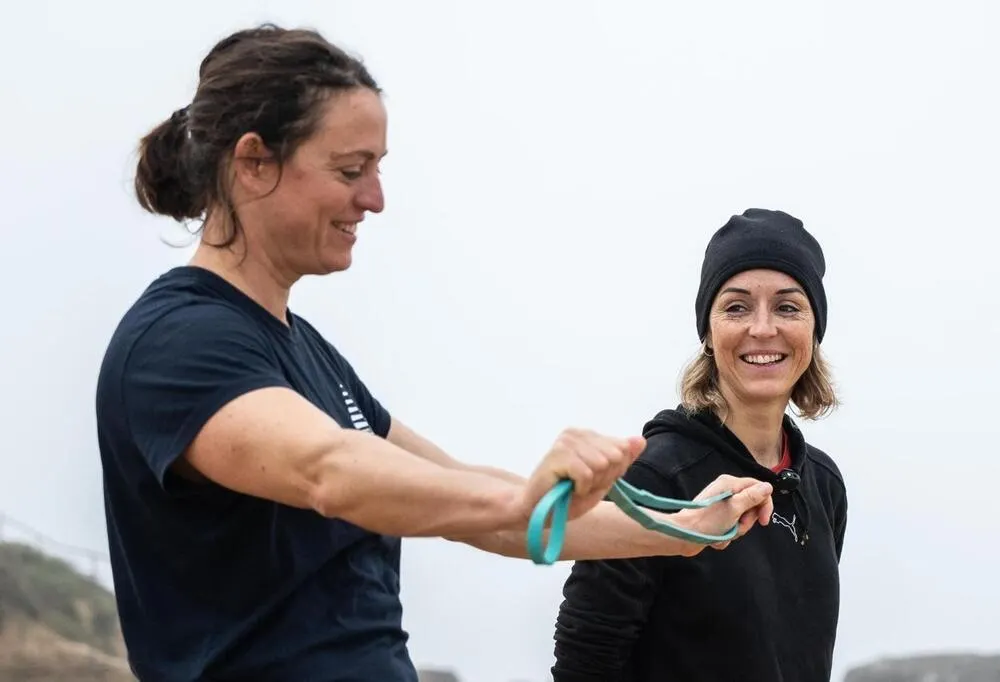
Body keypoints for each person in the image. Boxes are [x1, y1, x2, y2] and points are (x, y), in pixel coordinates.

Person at [94, 25, 777, 682]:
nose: (375, 199)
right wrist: (519, 502)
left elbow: (477, 502)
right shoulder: (179, 344)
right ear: (253, 163)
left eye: (378, 169)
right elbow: (329, 472)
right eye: (351, 169)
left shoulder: (306, 353)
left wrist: (684, 529)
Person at [550, 208, 848, 682]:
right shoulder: (653, 477)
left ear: (814, 330)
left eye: (788, 307)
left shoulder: (823, 485)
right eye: (737, 307)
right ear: (708, 332)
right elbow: (584, 662)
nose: (762, 328)